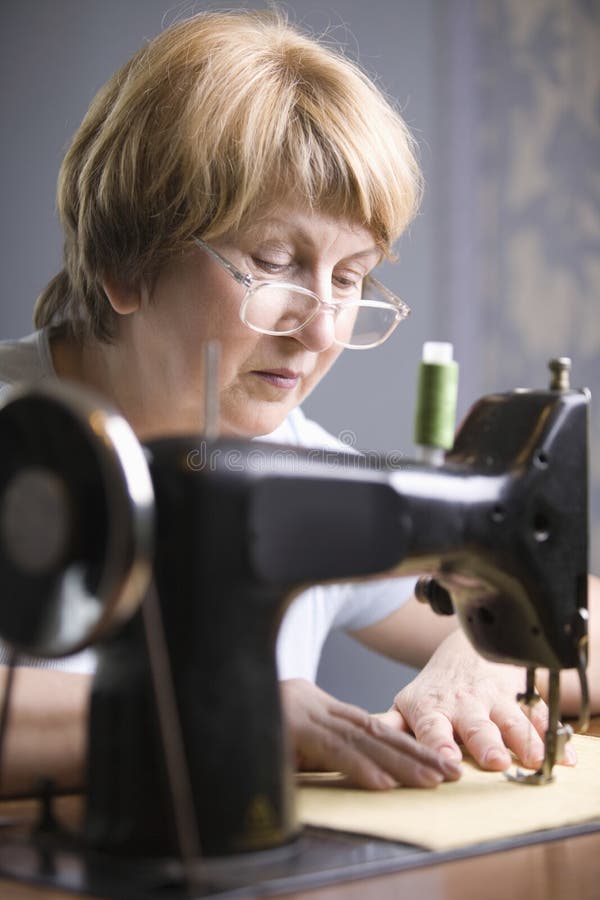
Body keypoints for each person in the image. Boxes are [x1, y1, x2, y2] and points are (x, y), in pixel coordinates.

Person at [0, 9, 598, 798]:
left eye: (350, 278)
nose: (320, 329)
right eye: (276, 261)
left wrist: (477, 654)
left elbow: (577, 613)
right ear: (126, 261)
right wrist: (228, 715)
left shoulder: (297, 464)